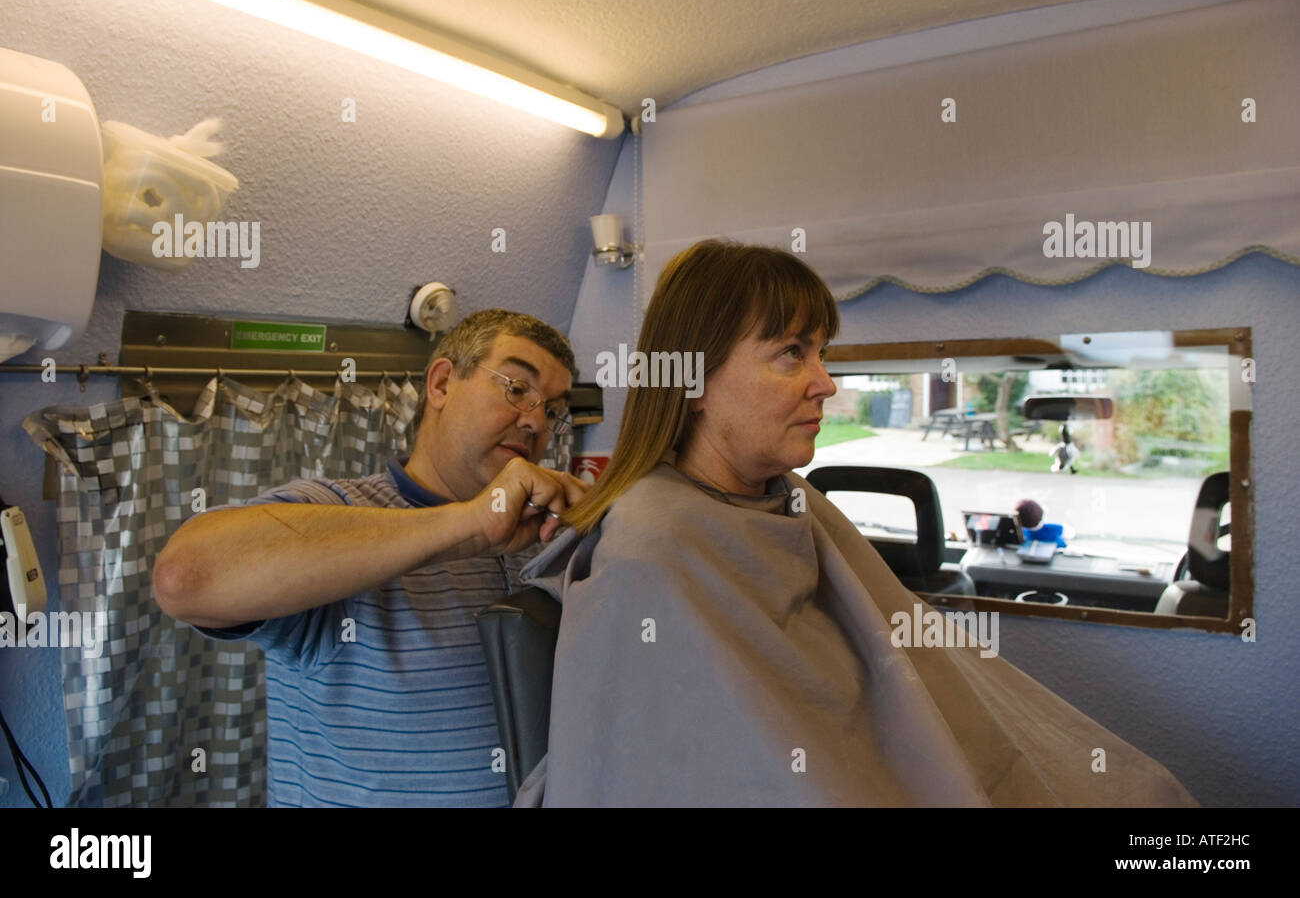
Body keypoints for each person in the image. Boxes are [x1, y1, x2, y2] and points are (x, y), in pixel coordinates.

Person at [514, 240, 1197, 807]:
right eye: (791, 353)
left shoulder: (787, 502)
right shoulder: (651, 548)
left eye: (822, 354)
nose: (826, 382)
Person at [152, 309, 588, 806]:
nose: (535, 421)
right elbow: (185, 576)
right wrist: (469, 524)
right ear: (442, 384)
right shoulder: (340, 511)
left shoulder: (541, 539)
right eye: (515, 387)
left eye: (552, 409)